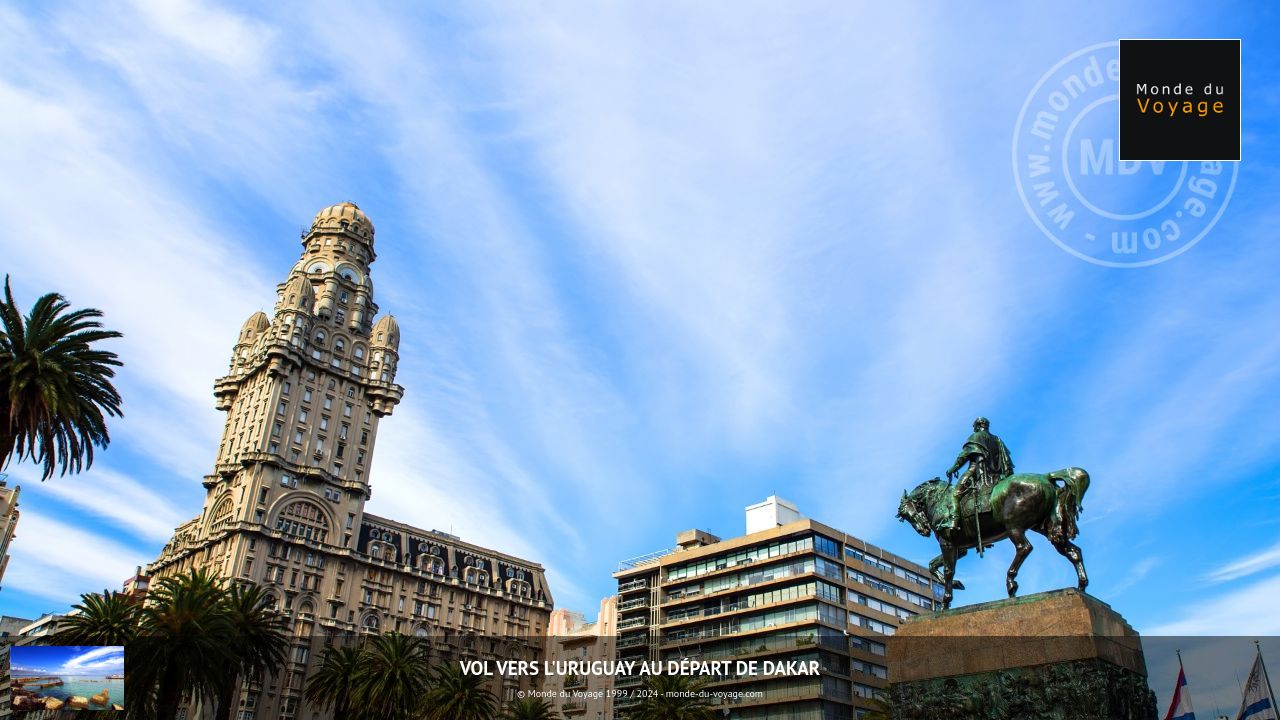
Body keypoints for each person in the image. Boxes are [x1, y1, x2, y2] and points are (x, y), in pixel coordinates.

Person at [938, 417, 1014, 531]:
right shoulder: (997, 440)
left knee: (955, 493)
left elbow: (963, 456)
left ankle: (953, 522)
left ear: (978, 426)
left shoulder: (976, 437)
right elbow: (1006, 460)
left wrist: (952, 469)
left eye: (974, 427)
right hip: (998, 475)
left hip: (978, 472)